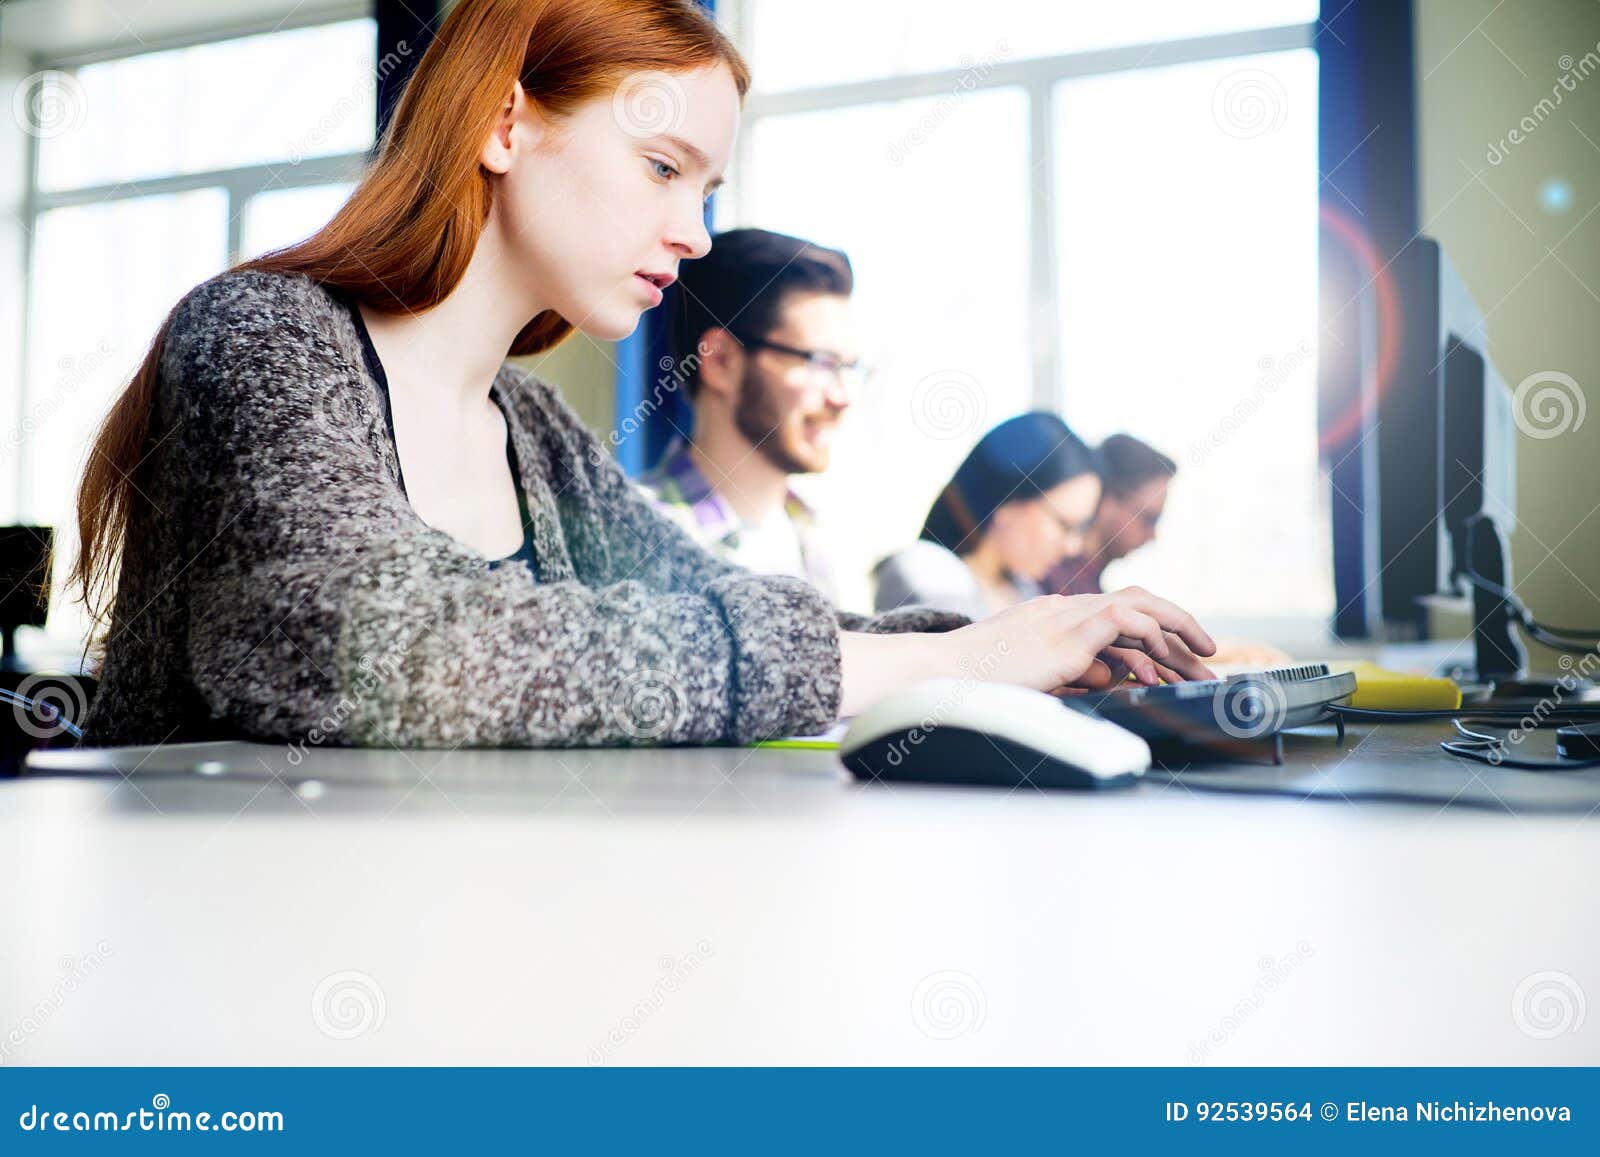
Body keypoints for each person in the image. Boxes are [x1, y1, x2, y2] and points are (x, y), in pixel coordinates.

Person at [70, 0, 1216, 750]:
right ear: (506, 122)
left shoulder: (534, 427)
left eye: (707, 189)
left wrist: (1051, 646)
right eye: (663, 167)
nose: (697, 233)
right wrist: (953, 656)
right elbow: (354, 644)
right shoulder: (264, 337)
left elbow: (708, 608)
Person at [639, 227, 858, 603]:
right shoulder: (637, 534)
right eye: (821, 363)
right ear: (721, 361)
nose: (844, 396)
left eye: (850, 367)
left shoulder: (816, 537)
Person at [875, 412, 1102, 619]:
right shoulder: (929, 572)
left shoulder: (1026, 591)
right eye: (1064, 525)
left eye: (1081, 529)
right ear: (1010, 502)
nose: (1073, 547)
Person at [1046, 433, 1176, 597]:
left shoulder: (1089, 589)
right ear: (1108, 500)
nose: (1153, 535)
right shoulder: (1051, 585)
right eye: (1149, 519)